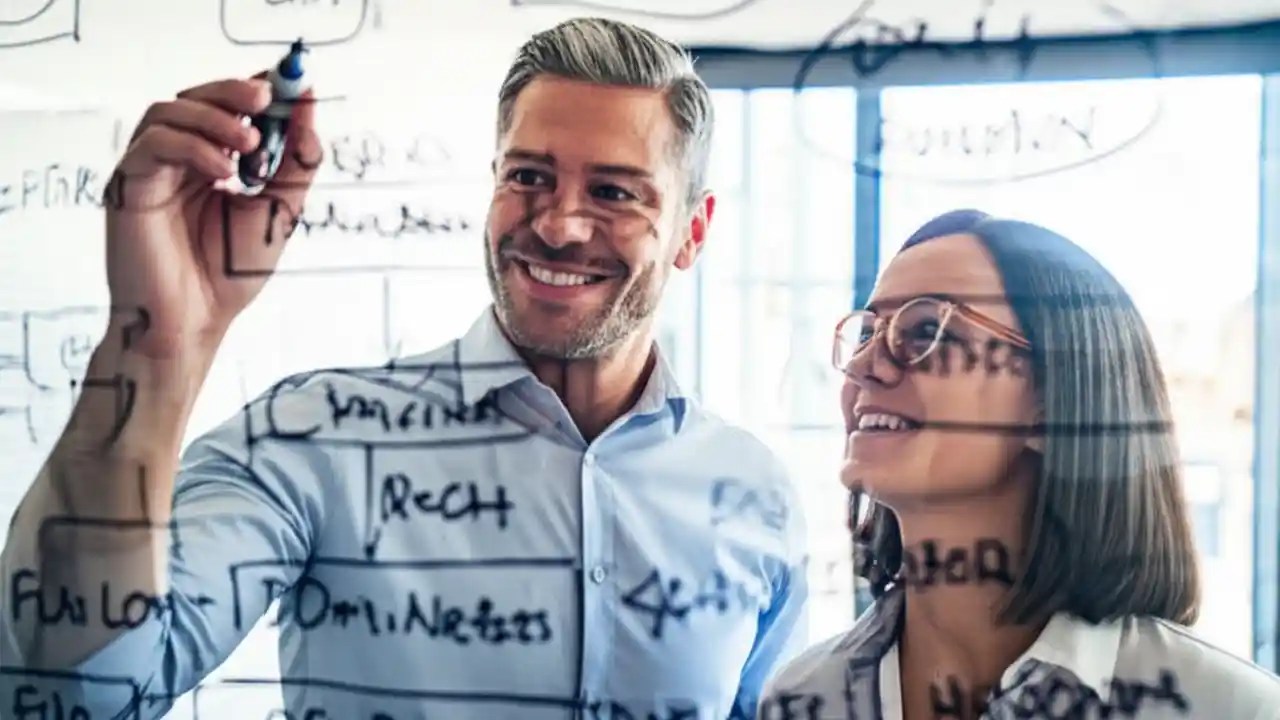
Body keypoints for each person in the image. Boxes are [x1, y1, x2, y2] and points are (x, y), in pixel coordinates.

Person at [0, 17, 809, 720]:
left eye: (615, 192)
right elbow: (75, 693)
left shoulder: (754, 494)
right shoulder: (315, 440)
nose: (560, 225)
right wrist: (154, 341)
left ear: (692, 233)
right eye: (528, 176)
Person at [757, 210, 1280, 719]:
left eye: (926, 332)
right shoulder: (804, 696)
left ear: (1055, 401)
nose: (864, 366)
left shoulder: (1231, 708)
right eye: (868, 333)